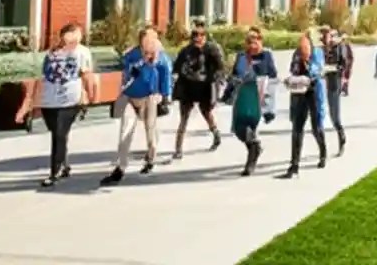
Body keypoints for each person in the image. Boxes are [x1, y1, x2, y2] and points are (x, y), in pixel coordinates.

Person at [16, 22, 95, 188]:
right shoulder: (51, 54)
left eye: (78, 34)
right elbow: (40, 79)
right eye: (73, 33)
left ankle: (55, 171)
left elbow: (87, 75)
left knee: (59, 133)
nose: (76, 37)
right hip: (48, 101)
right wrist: (28, 105)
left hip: (70, 100)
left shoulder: (82, 53)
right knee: (58, 133)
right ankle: (64, 164)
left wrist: (90, 95)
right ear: (64, 35)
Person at [100, 27, 172, 186]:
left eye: (152, 39)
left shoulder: (161, 56)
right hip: (130, 97)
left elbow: (166, 74)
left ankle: (151, 157)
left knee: (150, 131)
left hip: (149, 97)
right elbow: (126, 69)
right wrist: (142, 62)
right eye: (146, 39)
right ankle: (120, 167)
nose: (149, 43)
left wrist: (165, 95)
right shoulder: (132, 54)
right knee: (125, 130)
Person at [224, 27, 277, 176]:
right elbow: (234, 76)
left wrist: (269, 108)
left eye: (255, 42)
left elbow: (272, 76)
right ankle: (255, 147)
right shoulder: (241, 56)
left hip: (256, 95)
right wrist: (227, 93)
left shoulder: (266, 56)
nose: (252, 46)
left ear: (260, 42)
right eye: (249, 42)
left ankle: (251, 159)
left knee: (251, 126)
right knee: (238, 127)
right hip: (242, 95)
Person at [171, 24, 224, 160]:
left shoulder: (212, 49)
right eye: (195, 36)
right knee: (184, 118)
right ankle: (178, 149)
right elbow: (176, 67)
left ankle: (215, 132)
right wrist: (176, 76)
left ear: (205, 37)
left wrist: (216, 80)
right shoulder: (185, 51)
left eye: (201, 36)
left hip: (205, 86)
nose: (198, 39)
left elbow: (220, 67)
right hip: (188, 86)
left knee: (206, 112)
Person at [283, 33, 327, 179]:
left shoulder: (317, 53)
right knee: (297, 128)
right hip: (299, 93)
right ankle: (294, 165)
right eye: (300, 48)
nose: (302, 51)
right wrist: (290, 80)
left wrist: (308, 63)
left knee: (316, 127)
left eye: (305, 48)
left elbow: (317, 70)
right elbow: (293, 70)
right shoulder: (296, 54)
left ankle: (323, 152)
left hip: (313, 92)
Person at [321, 27, 354, 157]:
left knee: (334, 114)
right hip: (325, 81)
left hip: (335, 82)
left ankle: (341, 136)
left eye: (326, 36)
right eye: (323, 36)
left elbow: (344, 64)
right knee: (327, 113)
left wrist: (332, 69)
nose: (324, 39)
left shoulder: (339, 47)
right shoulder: (322, 49)